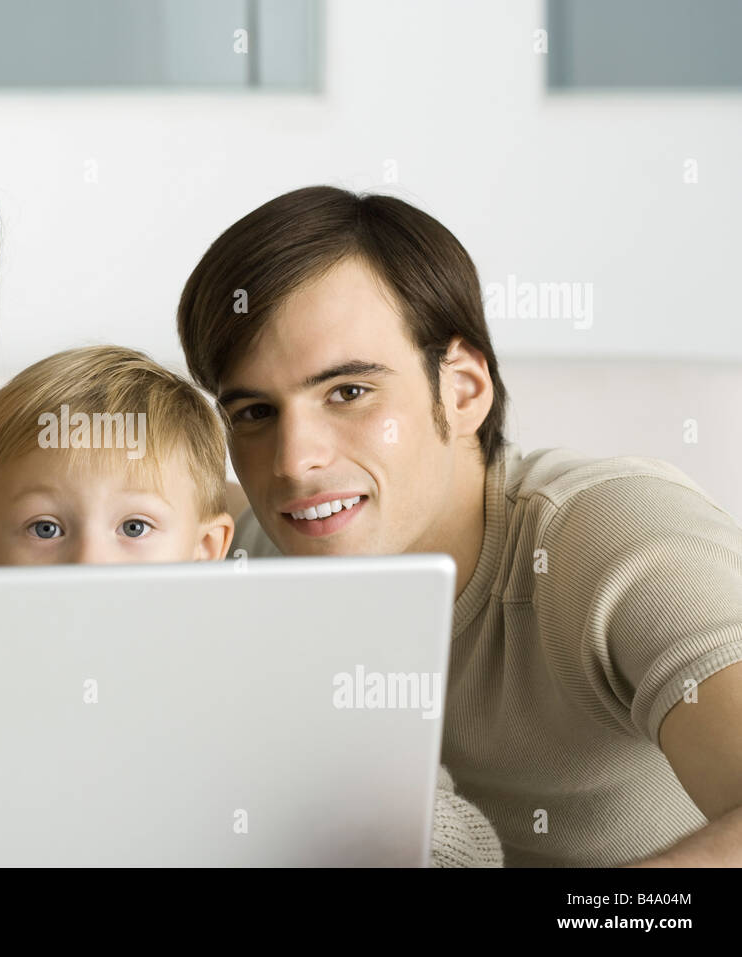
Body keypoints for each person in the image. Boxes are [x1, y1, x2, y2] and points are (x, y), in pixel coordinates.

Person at [176, 185, 742, 866]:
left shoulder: (609, 536)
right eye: (254, 413)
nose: (295, 464)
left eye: (349, 392)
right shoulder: (245, 554)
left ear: (464, 389)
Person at [0, 344, 500, 866]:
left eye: (135, 527)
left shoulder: (281, 687)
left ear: (206, 550)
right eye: (45, 528)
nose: (91, 565)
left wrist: (356, 803)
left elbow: (473, 854)